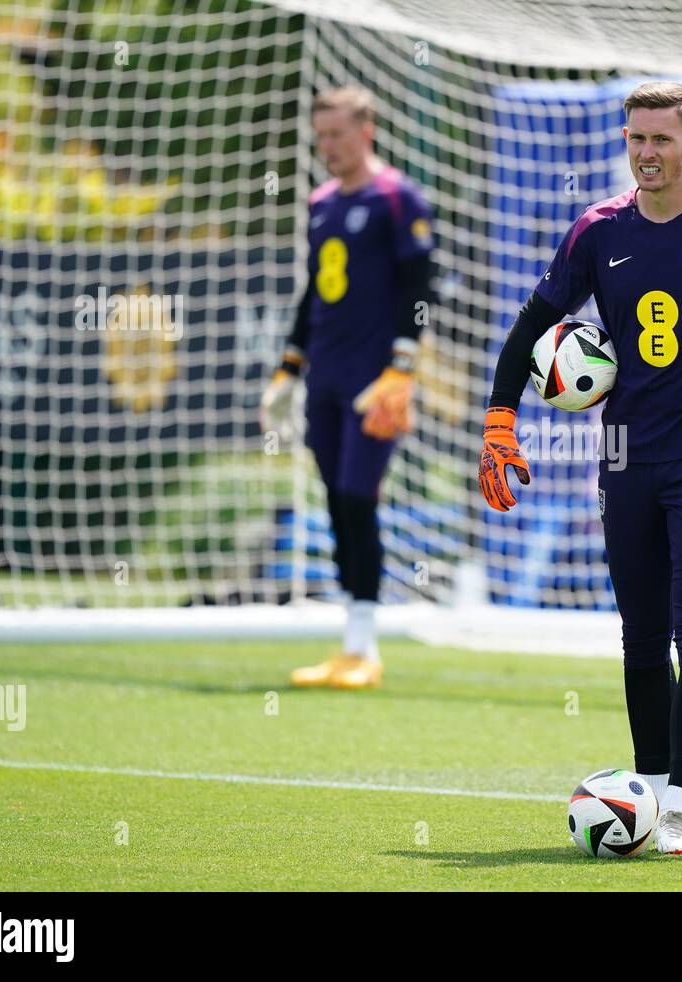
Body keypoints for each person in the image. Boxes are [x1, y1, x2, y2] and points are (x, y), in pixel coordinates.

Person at [479, 81, 682, 853]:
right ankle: (649, 796)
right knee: (639, 635)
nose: (646, 152)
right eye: (635, 138)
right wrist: (500, 425)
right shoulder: (597, 231)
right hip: (626, 458)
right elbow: (533, 325)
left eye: (662, 139)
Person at [261, 86, 434, 690]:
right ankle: (348, 645)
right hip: (326, 377)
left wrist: (402, 367)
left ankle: (365, 649)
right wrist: (288, 368)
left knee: (360, 498)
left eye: (336, 134)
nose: (326, 146)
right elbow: (313, 293)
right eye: (321, 135)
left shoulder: (397, 198)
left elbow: (420, 285)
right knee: (336, 500)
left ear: (365, 131)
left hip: (375, 382)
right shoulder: (320, 203)